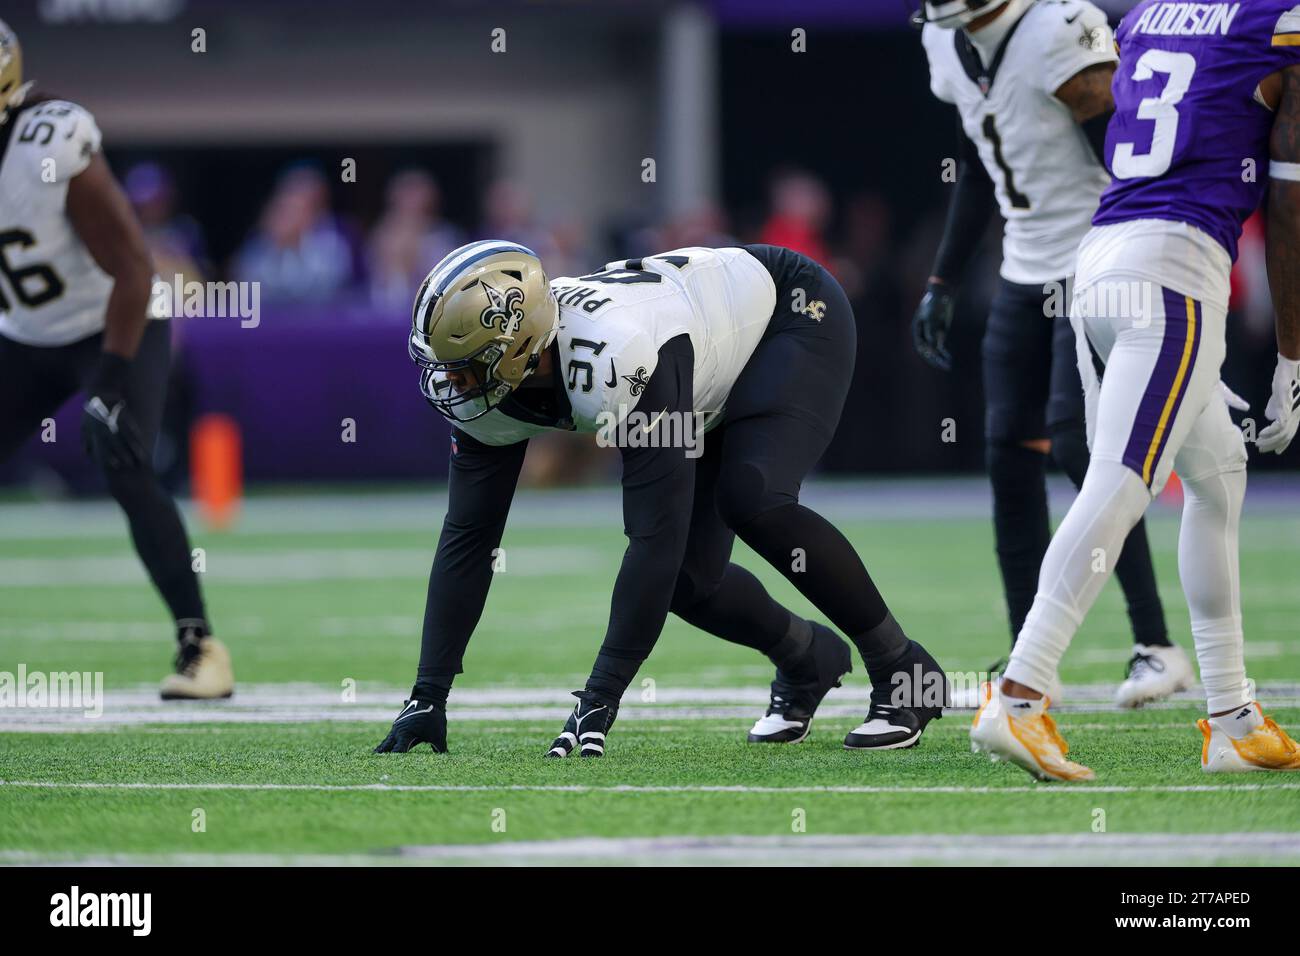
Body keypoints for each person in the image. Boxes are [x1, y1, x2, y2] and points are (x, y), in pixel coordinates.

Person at [374, 239, 949, 756]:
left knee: (753, 499)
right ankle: (806, 658)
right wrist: (428, 694)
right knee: (685, 582)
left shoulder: (613, 357)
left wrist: (599, 699)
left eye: (464, 369)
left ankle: (904, 669)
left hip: (785, 315)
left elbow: (656, 533)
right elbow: (469, 538)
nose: (450, 385)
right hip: (699, 360)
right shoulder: (503, 390)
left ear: (520, 347)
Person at [972, 0, 1300, 780]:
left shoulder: (1148, 15)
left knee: (1215, 479)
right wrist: (1293, 355)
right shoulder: (1278, 22)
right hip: (1174, 271)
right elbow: (1289, 203)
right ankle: (1019, 697)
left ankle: (1232, 715)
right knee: (1123, 481)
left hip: (1103, 261)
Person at [912, 0, 1182, 707]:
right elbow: (978, 165)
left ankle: (1154, 644)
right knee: (1008, 457)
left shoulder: (1058, 27)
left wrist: (1153, 261)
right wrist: (943, 279)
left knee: (1076, 444)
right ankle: (1028, 660)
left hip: (1096, 258)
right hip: (1024, 270)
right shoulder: (947, 42)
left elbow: (1127, 161)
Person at [0, 19, 233, 699]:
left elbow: (134, 267)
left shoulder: (49, 142)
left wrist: (107, 380)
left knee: (122, 459)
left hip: (117, 319)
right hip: (24, 329)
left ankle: (202, 648)